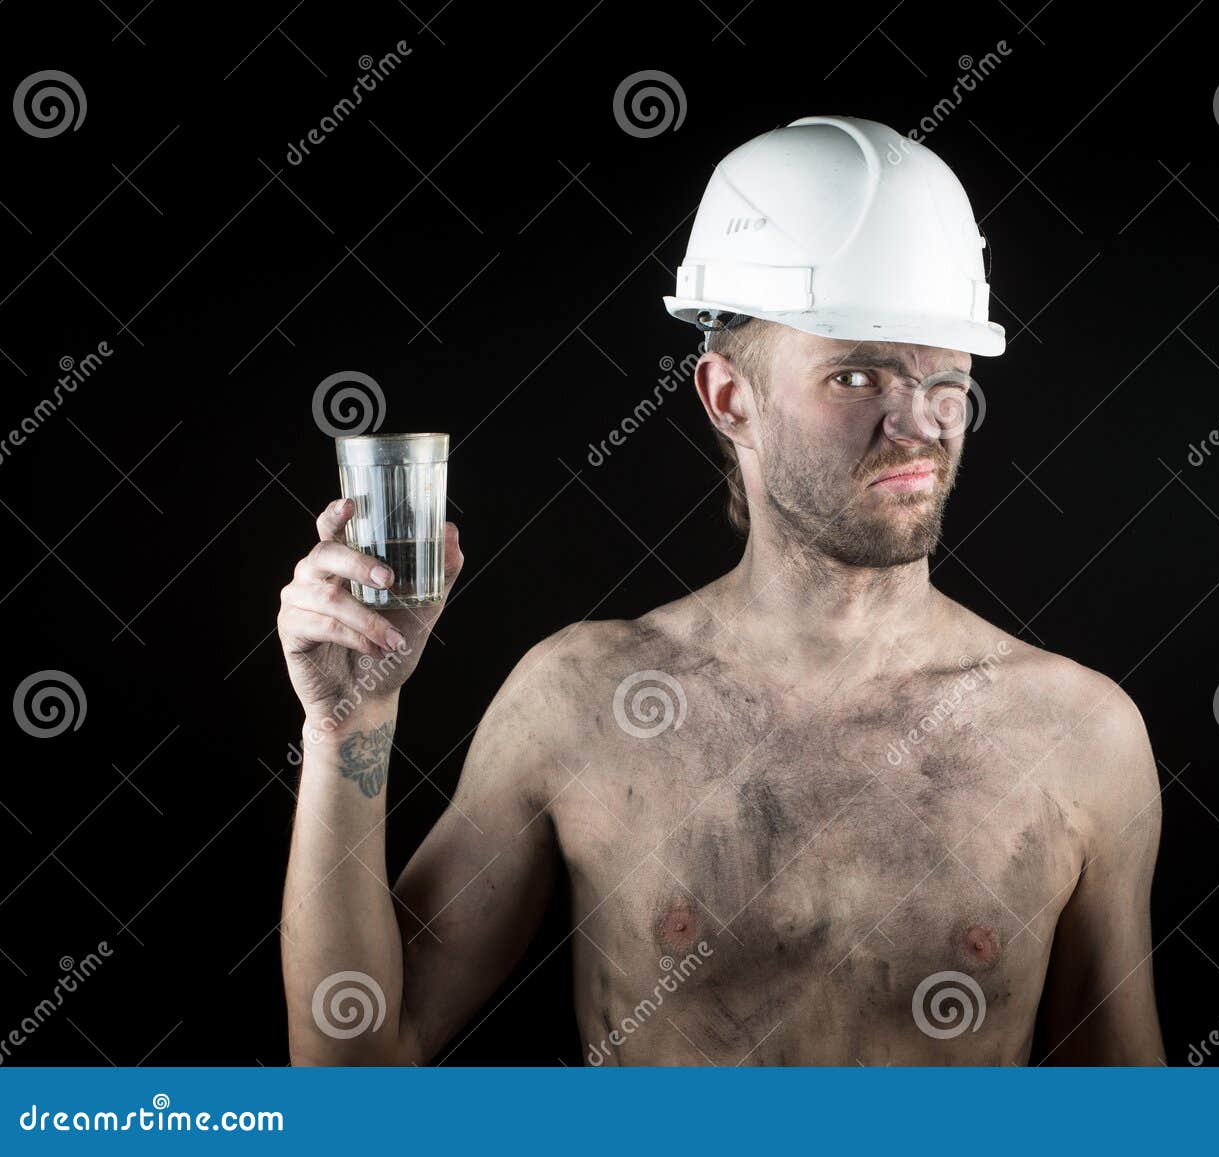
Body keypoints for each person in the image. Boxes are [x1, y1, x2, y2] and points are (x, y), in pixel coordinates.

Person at [277, 116, 1164, 1065]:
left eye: (944, 380)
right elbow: (355, 1068)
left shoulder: (1078, 735)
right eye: (857, 374)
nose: (918, 424)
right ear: (728, 397)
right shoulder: (582, 701)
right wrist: (349, 730)